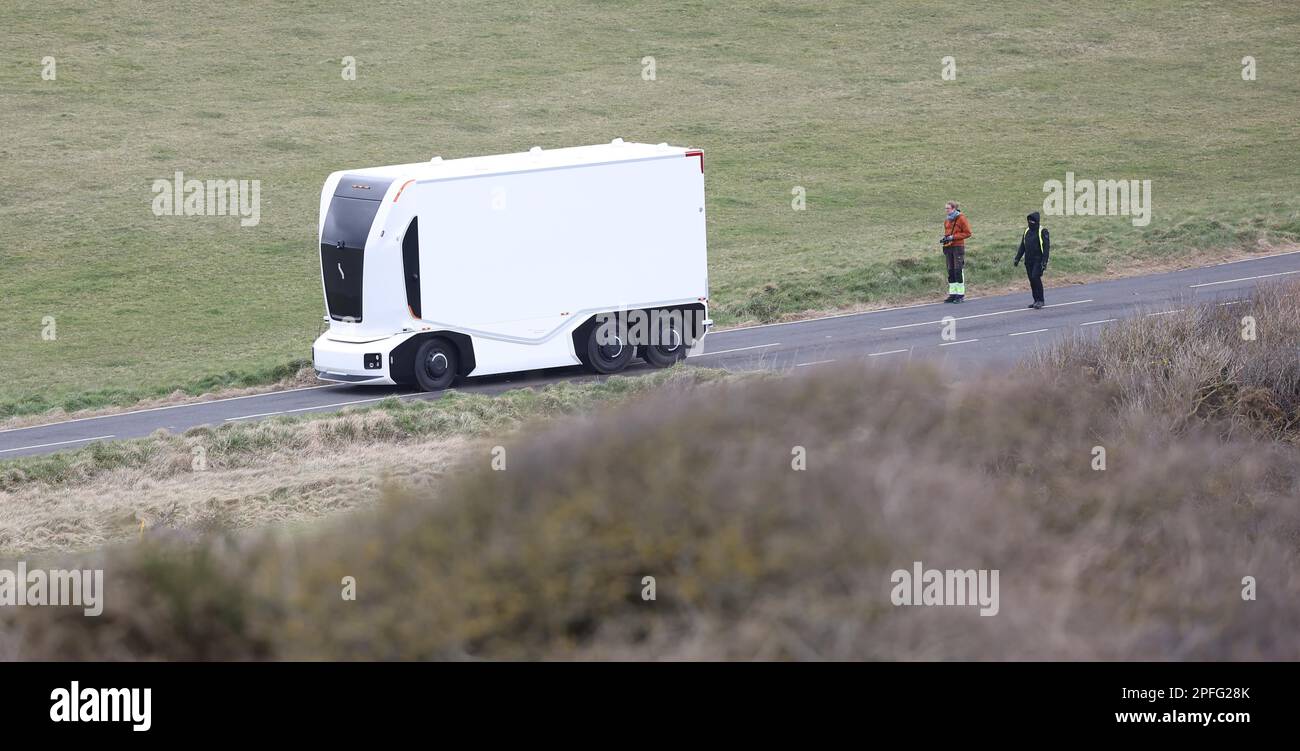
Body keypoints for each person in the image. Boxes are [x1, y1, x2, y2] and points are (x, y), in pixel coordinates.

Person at [1013, 211, 1051, 309]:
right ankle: (1035, 300)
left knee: (1035, 277)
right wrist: (1017, 258)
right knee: (1031, 280)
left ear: (1036, 221)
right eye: (1029, 220)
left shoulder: (1043, 231)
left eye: (1032, 221)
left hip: (1038, 260)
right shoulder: (1026, 231)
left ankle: (1040, 300)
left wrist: (1044, 262)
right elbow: (1022, 246)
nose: (1030, 222)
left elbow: (1046, 247)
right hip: (1028, 260)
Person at [941, 201, 972, 303]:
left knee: (958, 270)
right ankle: (953, 294)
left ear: (954, 208)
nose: (946, 210)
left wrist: (953, 237)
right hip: (949, 247)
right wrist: (946, 238)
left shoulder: (961, 218)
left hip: (958, 247)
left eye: (948, 208)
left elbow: (968, 233)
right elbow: (947, 232)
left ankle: (960, 294)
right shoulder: (947, 220)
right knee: (950, 271)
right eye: (946, 208)